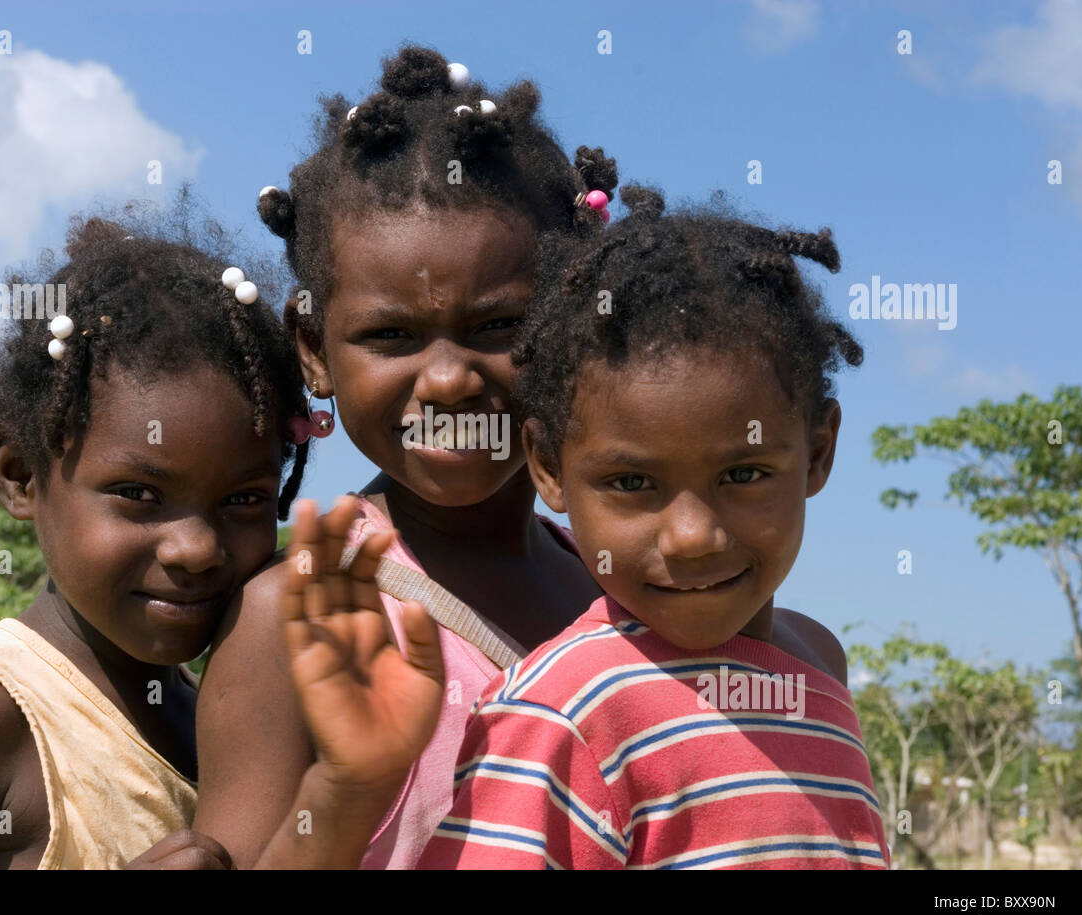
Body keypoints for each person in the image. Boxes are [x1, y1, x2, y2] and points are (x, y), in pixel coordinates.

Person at [282, 186, 891, 869]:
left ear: (818, 453)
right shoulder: (561, 711)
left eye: (743, 473)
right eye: (632, 483)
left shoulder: (819, 666)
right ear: (548, 466)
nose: (693, 536)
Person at [194, 45, 617, 869]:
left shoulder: (624, 585)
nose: (449, 380)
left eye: (500, 327)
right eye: (390, 335)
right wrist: (348, 786)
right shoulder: (297, 620)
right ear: (313, 350)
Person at [0, 211, 312, 868]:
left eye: (243, 500)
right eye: (138, 494)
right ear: (20, 475)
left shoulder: (214, 711)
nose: (195, 548)